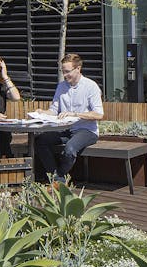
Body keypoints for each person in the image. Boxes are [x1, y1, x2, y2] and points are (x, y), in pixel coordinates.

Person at [34, 53, 103, 182]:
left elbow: (99, 114)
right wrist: (42, 112)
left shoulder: (91, 86)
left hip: (87, 131)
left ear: (78, 69)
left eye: (67, 71)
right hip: (66, 129)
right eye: (63, 71)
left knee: (69, 149)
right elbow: (54, 110)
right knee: (40, 140)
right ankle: (58, 179)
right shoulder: (61, 86)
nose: (65, 75)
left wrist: (75, 114)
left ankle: (57, 178)